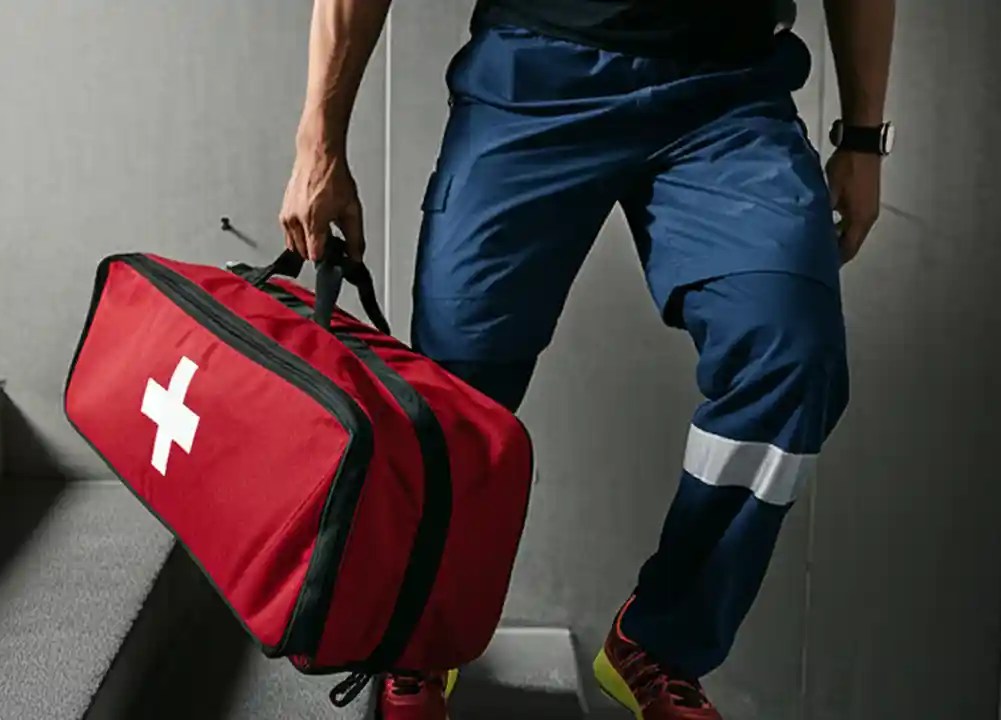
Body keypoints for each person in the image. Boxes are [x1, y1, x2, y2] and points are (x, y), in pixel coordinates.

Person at [280, 0, 895, 718]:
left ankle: (661, 643)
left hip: (731, 95)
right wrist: (319, 141)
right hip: (534, 75)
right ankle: (419, 636)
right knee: (455, 383)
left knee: (791, 355)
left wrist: (864, 136)